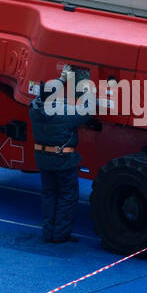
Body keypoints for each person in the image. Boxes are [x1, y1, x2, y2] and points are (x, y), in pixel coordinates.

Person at [28, 66, 95, 244]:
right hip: (63, 161)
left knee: (49, 195)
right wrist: (88, 90)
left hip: (43, 159)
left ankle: (48, 233)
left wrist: (61, 79)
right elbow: (87, 111)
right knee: (67, 197)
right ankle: (60, 236)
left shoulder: (34, 110)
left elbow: (42, 95)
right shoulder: (62, 113)